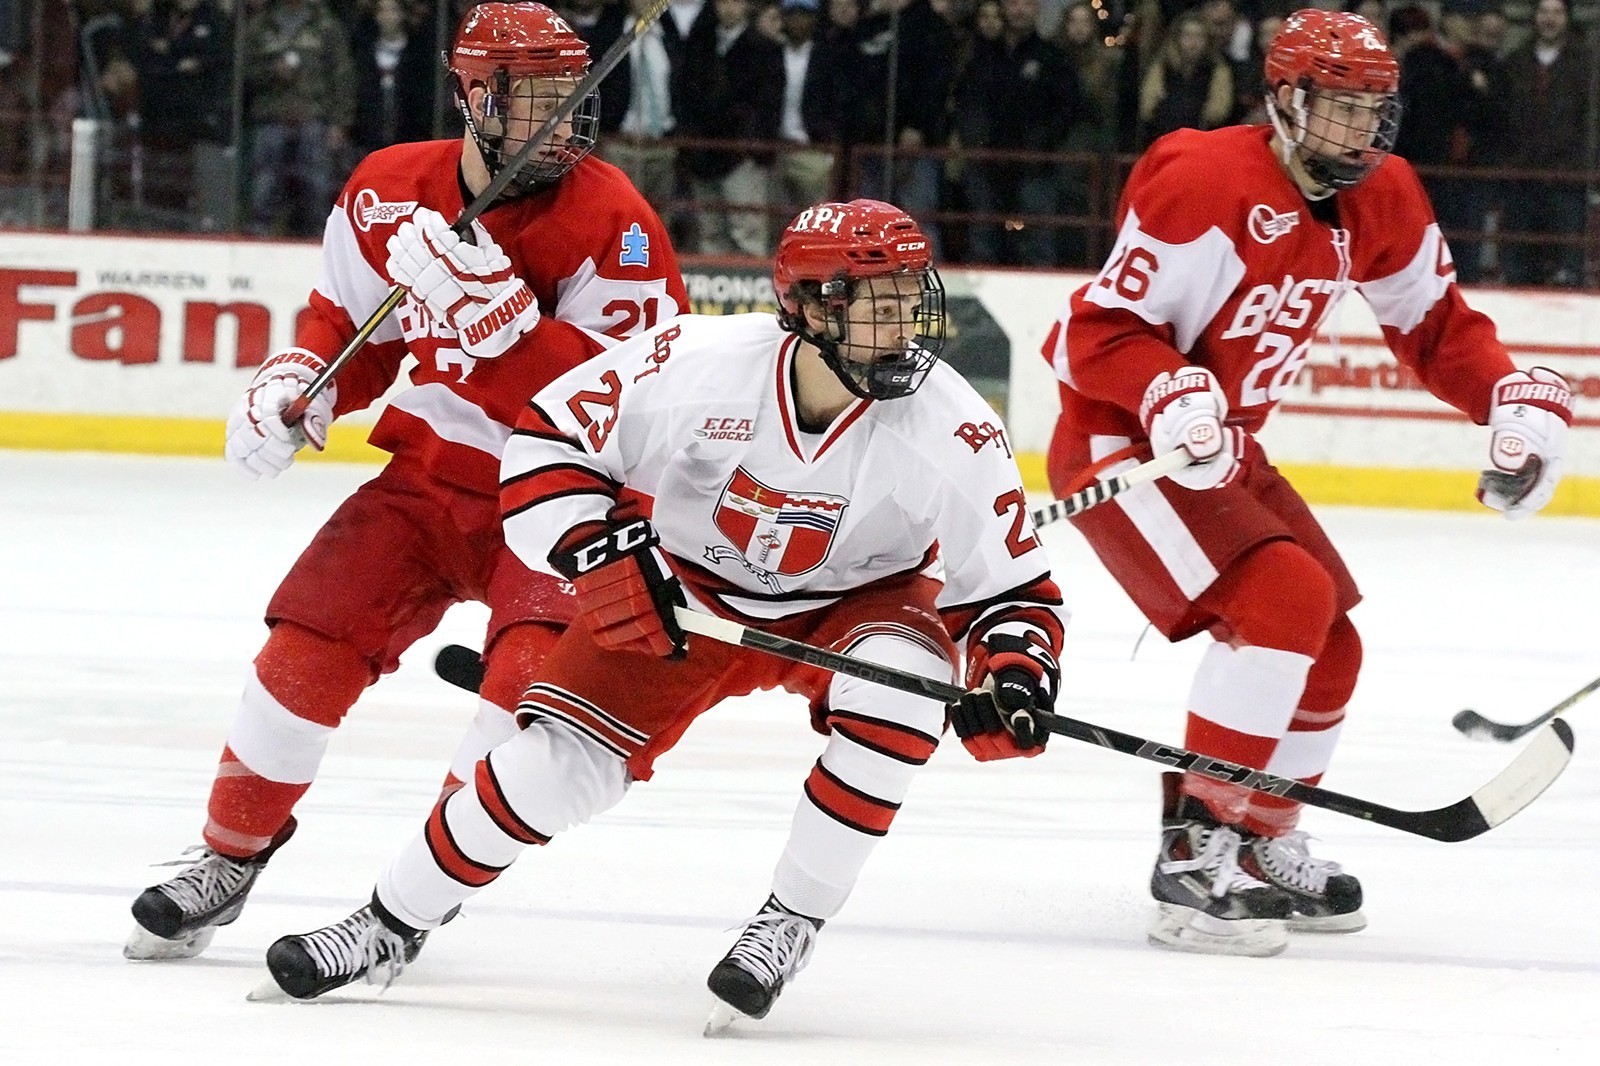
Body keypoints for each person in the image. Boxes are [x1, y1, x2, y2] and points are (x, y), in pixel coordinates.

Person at [255, 199, 1070, 1025]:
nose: (903, 327)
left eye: (908, 301)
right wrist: (598, 550)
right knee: (548, 769)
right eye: (878, 305)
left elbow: (1012, 592)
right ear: (810, 305)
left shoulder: (955, 426)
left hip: (860, 605)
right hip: (685, 593)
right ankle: (389, 922)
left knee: (903, 692)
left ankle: (791, 920)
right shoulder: (699, 362)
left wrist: (1014, 673)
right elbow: (549, 442)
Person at [125, 2, 687, 962]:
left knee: (525, 703)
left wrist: (515, 334)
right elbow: (356, 333)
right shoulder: (387, 189)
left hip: (567, 497)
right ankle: (229, 855)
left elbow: (635, 407)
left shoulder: (618, 224)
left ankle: (415, 903)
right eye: (536, 97)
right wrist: (303, 381)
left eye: (570, 95)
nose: (561, 118)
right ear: (474, 96)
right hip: (428, 478)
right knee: (304, 649)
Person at [1042, 8, 1572, 958]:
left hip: (1224, 445)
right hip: (1123, 441)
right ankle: (1192, 853)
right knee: (1284, 599)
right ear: (1285, 100)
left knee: (1330, 646)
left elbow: (1437, 327)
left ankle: (1259, 837)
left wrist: (1507, 397)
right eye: (1342, 108)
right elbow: (1098, 333)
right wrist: (1167, 388)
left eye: (1376, 110)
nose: (1363, 130)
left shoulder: (1385, 192)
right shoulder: (1202, 178)